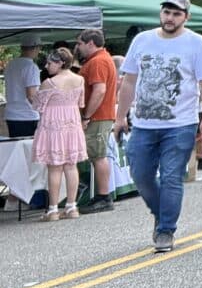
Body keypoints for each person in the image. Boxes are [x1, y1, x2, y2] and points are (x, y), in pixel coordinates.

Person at [116, 0, 202, 253]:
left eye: (176, 13)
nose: (170, 18)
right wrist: (120, 116)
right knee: (140, 175)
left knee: (172, 176)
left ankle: (165, 230)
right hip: (143, 123)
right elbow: (129, 81)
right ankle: (161, 213)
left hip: (180, 123)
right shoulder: (142, 40)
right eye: (166, 12)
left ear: (186, 17)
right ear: (160, 13)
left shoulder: (197, 43)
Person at [34, 48, 88, 220]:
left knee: (54, 167)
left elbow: (38, 105)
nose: (46, 66)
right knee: (71, 165)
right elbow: (81, 103)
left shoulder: (49, 83)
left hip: (53, 125)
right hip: (72, 123)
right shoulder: (79, 79)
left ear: (60, 63)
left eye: (49, 63)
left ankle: (53, 209)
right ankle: (72, 207)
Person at [75, 29, 119, 213]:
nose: (77, 47)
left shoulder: (98, 61)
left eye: (80, 43)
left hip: (98, 116)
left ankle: (103, 197)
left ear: (91, 43)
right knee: (97, 155)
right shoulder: (102, 59)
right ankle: (102, 195)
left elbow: (99, 90)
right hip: (101, 115)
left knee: (98, 156)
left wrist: (87, 116)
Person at [3, 33, 42, 138]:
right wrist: (43, 110)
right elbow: (31, 96)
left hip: (11, 114)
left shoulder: (10, 64)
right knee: (29, 146)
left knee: (16, 145)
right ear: (36, 48)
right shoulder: (31, 66)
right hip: (27, 115)